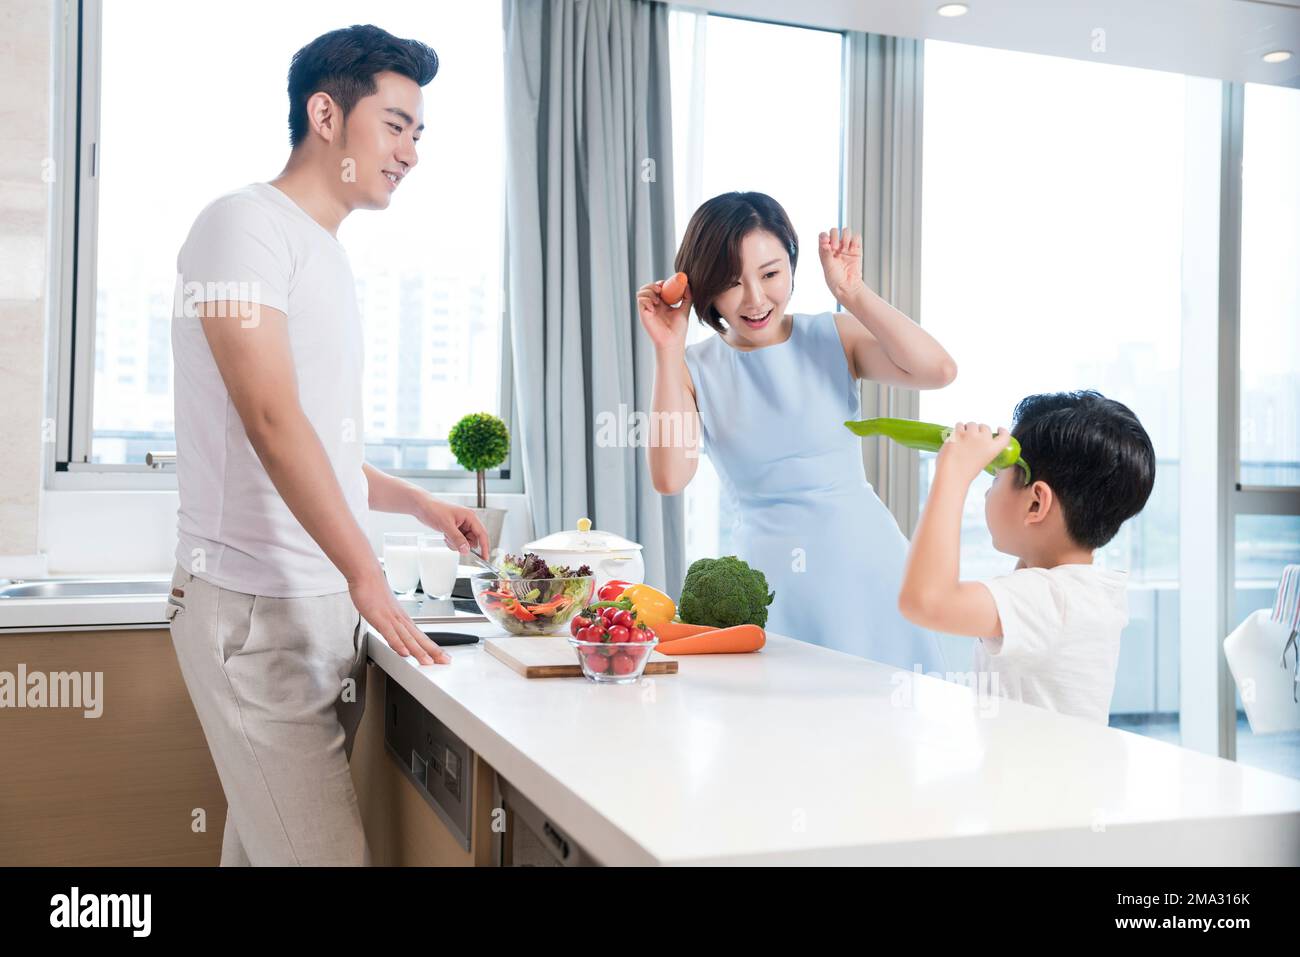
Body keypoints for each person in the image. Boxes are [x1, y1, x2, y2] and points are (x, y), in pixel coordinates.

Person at [167, 24, 488, 866]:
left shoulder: (325, 254)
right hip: (255, 610)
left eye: (419, 132)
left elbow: (319, 443)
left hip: (317, 616)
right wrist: (367, 574)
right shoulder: (241, 226)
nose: (411, 152)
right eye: (395, 124)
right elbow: (270, 422)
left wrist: (417, 502)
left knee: (264, 845)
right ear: (325, 114)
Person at [639, 191, 954, 671]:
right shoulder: (693, 366)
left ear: (791, 263)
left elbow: (937, 370)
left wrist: (853, 294)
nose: (756, 299)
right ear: (703, 288)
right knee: (784, 731)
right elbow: (670, 477)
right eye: (731, 283)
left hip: (868, 566)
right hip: (772, 582)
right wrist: (667, 348)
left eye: (770, 274)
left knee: (889, 731)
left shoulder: (833, 335)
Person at [897, 392, 1157, 724]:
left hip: (1035, 776)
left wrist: (953, 474)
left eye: (995, 478)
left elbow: (927, 601)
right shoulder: (1078, 588)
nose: (989, 491)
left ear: (1036, 504)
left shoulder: (1051, 598)